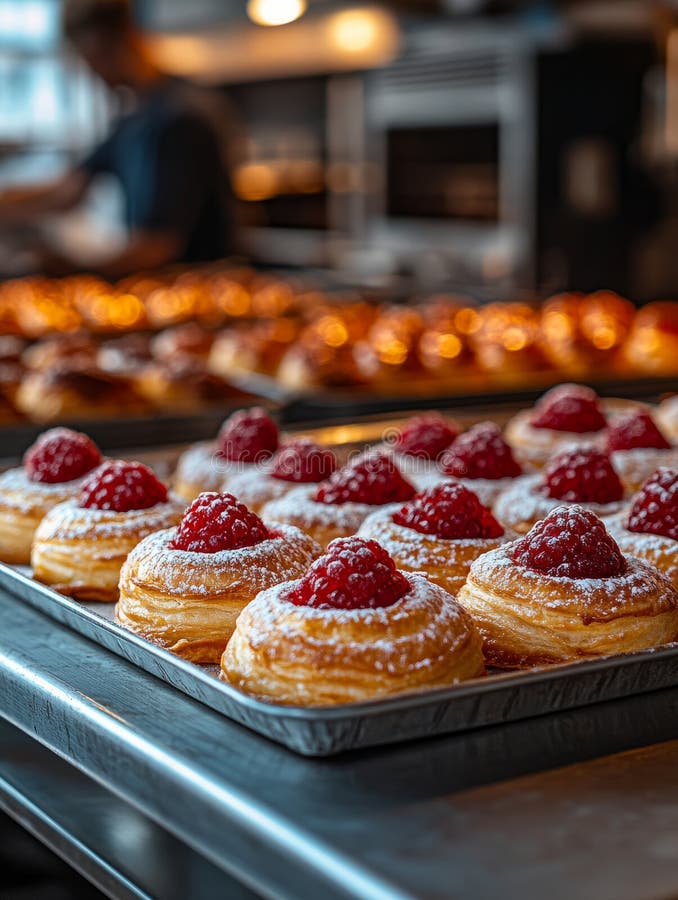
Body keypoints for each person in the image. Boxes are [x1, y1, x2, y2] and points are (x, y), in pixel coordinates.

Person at [0, 0, 236, 277]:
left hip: (199, 296)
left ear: (104, 44)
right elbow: (67, 191)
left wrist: (67, 268)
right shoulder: (133, 118)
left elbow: (155, 249)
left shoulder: (180, 119)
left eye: (87, 59)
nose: (90, 73)